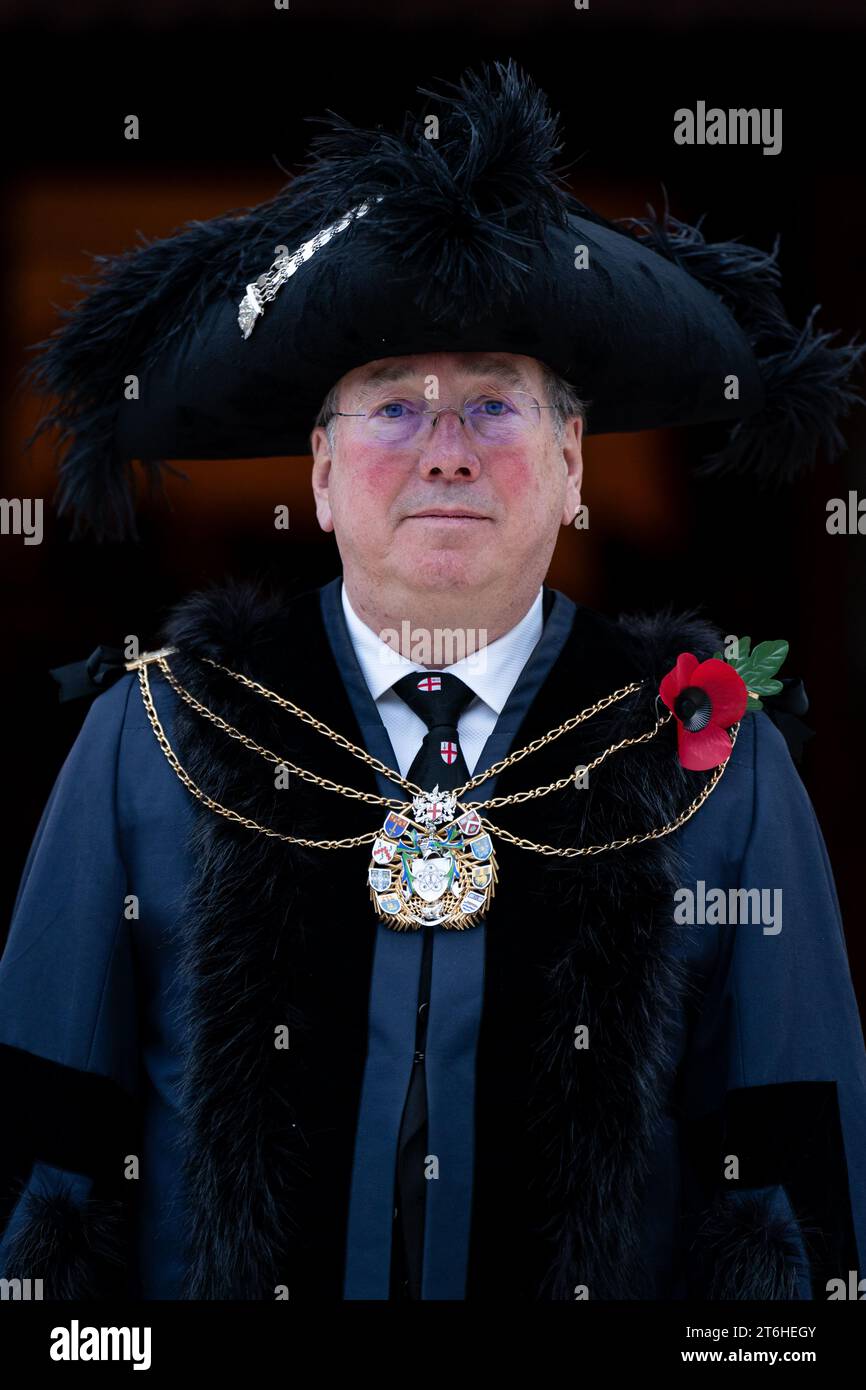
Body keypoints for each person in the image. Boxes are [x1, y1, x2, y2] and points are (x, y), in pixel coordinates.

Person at [2, 60, 865, 1302]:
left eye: (494, 405)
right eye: (392, 406)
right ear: (317, 470)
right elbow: (46, 1162)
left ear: (572, 463)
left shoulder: (709, 763)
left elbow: (792, 1188)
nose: (445, 450)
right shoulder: (157, 734)